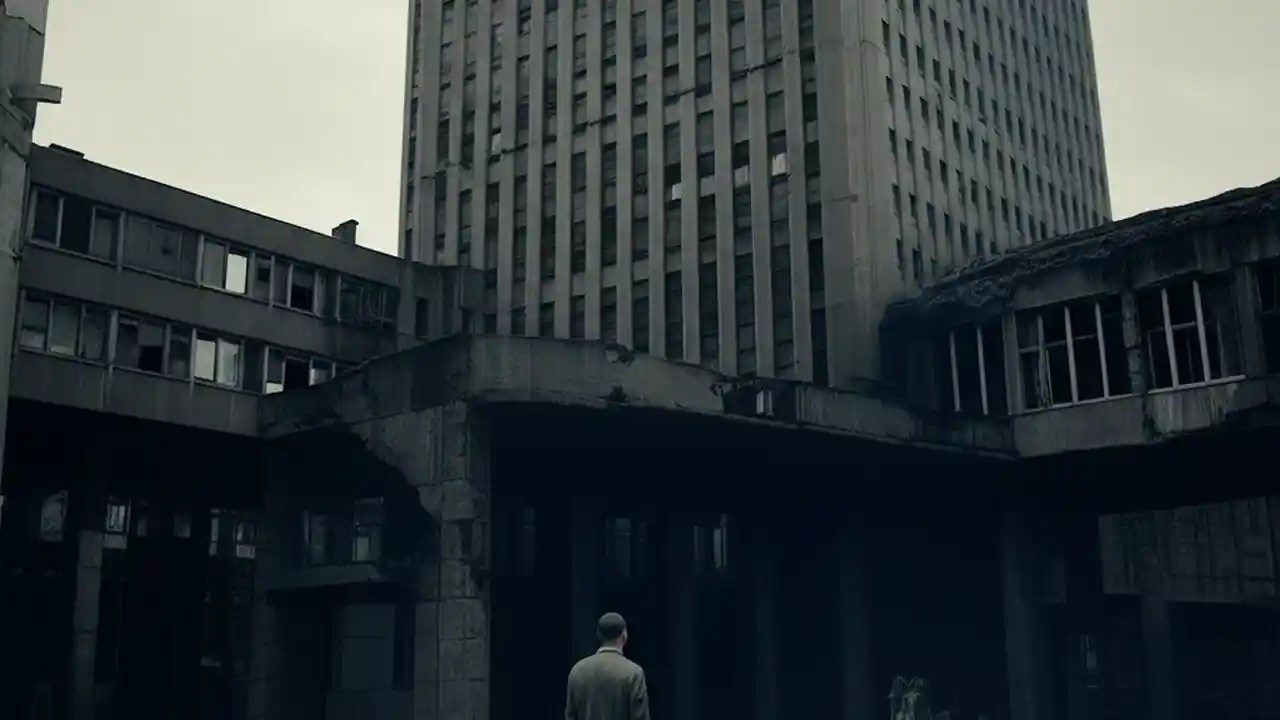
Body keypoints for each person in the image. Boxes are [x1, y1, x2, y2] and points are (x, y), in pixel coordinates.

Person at [565, 612, 650, 720]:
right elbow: (640, 716)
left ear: (598, 635)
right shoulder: (633, 673)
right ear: (624, 635)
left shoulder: (577, 670)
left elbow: (571, 715)